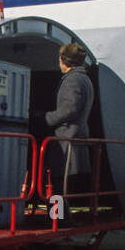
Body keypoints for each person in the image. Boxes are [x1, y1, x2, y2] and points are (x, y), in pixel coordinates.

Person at [35, 42, 94, 214]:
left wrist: (45, 118)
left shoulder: (73, 80)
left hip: (66, 139)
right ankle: (61, 216)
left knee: (56, 184)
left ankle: (58, 219)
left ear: (63, 60)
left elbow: (69, 109)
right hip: (76, 136)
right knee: (62, 186)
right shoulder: (84, 78)